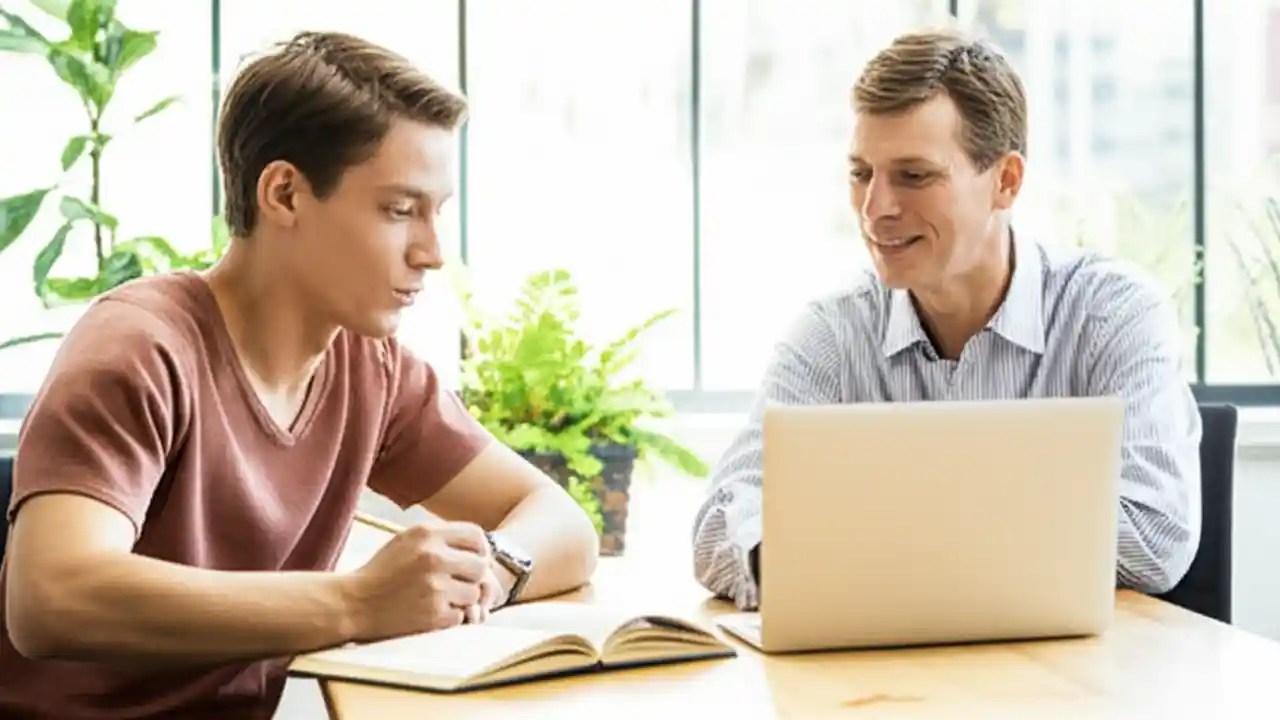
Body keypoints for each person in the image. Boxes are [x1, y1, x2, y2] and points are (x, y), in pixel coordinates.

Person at [0, 31, 599, 718]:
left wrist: (481, 576)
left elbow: (563, 525)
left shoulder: (372, 369)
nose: (432, 252)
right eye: (399, 211)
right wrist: (360, 601)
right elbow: (50, 598)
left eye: (439, 213)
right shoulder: (139, 347)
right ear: (284, 193)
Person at [691, 29, 1202, 611]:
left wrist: (870, 534)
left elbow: (1155, 537)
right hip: (884, 682)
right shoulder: (833, 334)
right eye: (861, 173)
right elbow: (718, 529)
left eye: (913, 176)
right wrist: (994, 527)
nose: (875, 208)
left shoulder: (1113, 316)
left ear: (1005, 181)